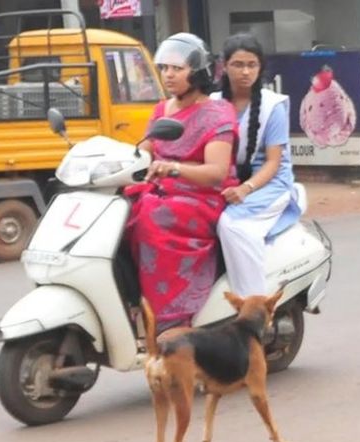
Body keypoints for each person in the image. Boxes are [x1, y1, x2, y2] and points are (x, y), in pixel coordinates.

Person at [125, 33, 239, 329]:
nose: (169, 74)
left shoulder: (217, 114)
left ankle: (170, 315)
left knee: (152, 214)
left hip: (201, 197)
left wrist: (174, 168)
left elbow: (216, 172)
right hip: (160, 189)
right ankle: (132, 298)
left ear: (198, 73)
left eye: (178, 68)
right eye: (165, 68)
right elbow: (143, 150)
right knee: (120, 208)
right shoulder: (161, 110)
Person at [213, 34, 303, 297]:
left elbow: (274, 163)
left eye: (251, 65)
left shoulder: (272, 106)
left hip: (269, 184)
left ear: (260, 67)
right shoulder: (213, 103)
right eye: (238, 64)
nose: (245, 72)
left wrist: (246, 189)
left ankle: (253, 302)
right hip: (227, 180)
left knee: (232, 224)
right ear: (224, 66)